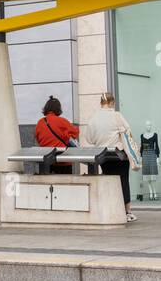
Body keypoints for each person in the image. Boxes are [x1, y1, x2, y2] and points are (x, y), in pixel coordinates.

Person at [81, 92, 140, 222]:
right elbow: (127, 130)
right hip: (118, 154)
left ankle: (111, 208)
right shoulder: (116, 116)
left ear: (101, 103)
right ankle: (127, 211)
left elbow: (89, 138)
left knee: (109, 180)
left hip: (102, 155)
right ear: (112, 103)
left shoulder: (93, 118)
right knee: (123, 180)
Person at [35, 97, 79, 173]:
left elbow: (38, 139)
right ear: (58, 108)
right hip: (63, 161)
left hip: (46, 160)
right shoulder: (62, 121)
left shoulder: (40, 123)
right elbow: (75, 133)